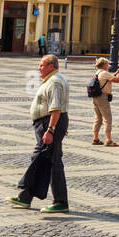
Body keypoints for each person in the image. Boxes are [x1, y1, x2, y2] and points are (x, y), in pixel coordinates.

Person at [10, 53, 70, 212]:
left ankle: (61, 202)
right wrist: (60, 126)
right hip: (50, 124)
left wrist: (52, 129)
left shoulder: (55, 82)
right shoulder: (54, 79)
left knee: (51, 161)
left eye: (42, 65)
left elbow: (56, 108)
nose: (39, 68)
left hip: (48, 124)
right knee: (42, 159)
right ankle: (25, 197)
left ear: (51, 66)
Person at [88, 57, 119, 146]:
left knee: (98, 119)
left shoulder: (98, 72)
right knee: (107, 118)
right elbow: (117, 80)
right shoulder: (104, 73)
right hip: (102, 98)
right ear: (104, 65)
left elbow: (110, 78)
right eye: (107, 64)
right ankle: (108, 140)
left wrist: (116, 73)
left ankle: (95, 139)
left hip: (95, 97)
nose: (108, 65)